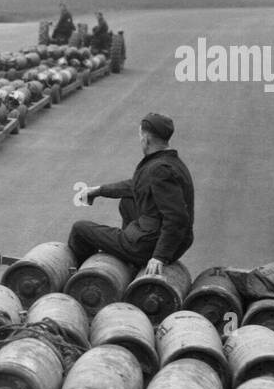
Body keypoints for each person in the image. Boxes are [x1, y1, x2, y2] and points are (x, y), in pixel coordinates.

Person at [68, 113, 194, 275]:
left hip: (149, 244)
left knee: (80, 229)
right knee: (128, 201)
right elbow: (135, 186)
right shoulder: (170, 161)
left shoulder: (160, 170)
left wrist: (159, 256)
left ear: (147, 139)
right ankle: (127, 256)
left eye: (140, 135)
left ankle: (81, 277)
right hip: (163, 237)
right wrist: (98, 190)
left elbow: (177, 217)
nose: (140, 139)